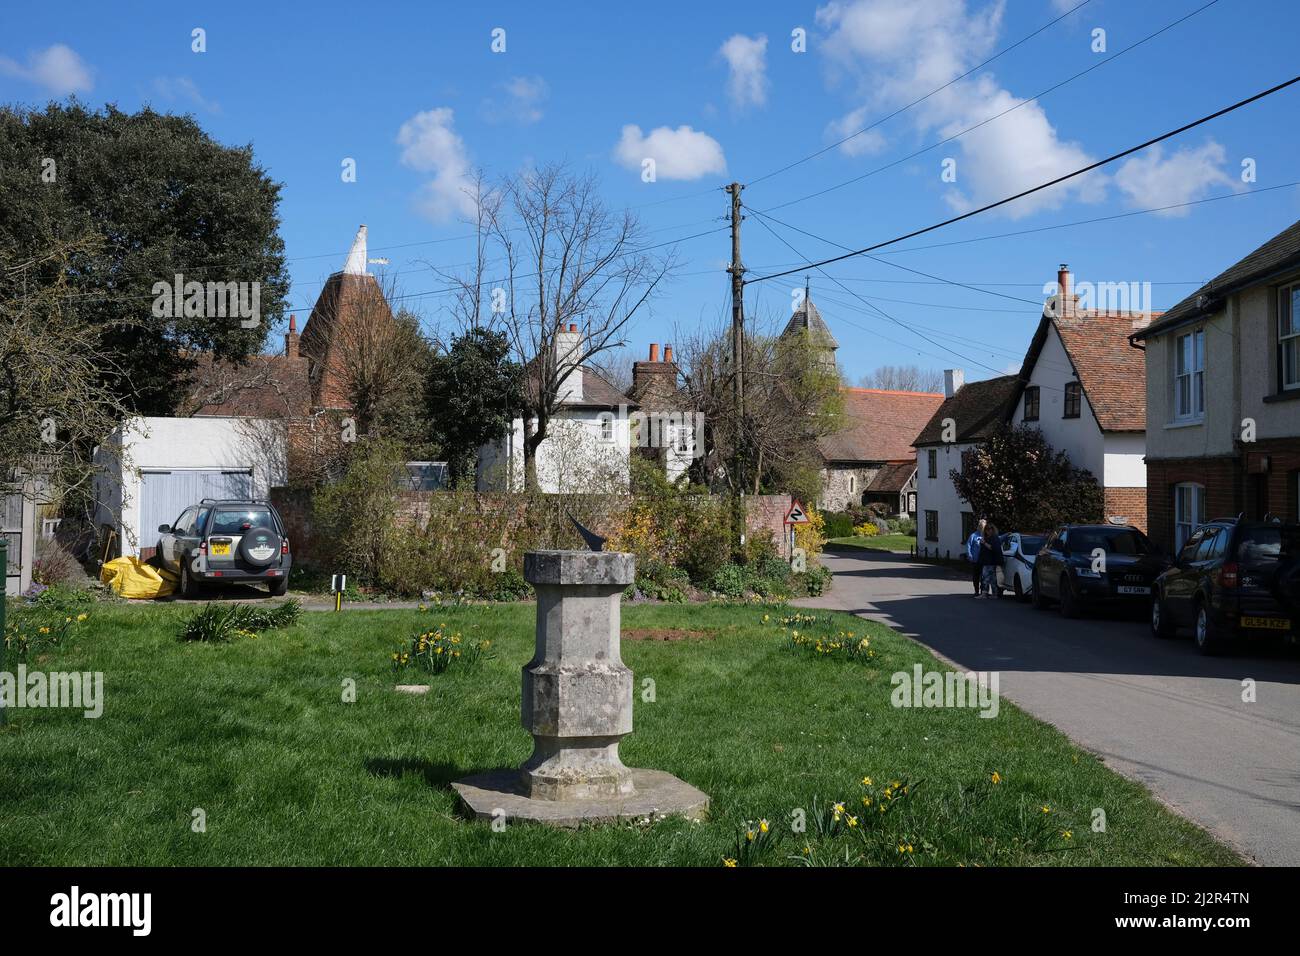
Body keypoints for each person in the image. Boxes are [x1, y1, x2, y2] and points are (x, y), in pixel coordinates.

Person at [978, 521, 1002, 599]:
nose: (988, 531)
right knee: (989, 578)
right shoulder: (987, 538)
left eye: (989, 529)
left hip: (991, 561)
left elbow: (993, 548)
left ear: (993, 529)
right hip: (986, 561)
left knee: (987, 578)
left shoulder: (994, 538)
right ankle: (991, 594)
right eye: (986, 529)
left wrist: (984, 543)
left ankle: (986, 594)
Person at [965, 518, 986, 597]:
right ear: (979, 527)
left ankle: (983, 590)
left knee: (984, 577)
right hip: (975, 560)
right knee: (976, 576)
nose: (982, 528)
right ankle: (976, 590)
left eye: (983, 527)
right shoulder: (973, 536)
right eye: (981, 526)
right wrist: (969, 555)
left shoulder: (986, 536)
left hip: (984, 560)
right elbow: (968, 546)